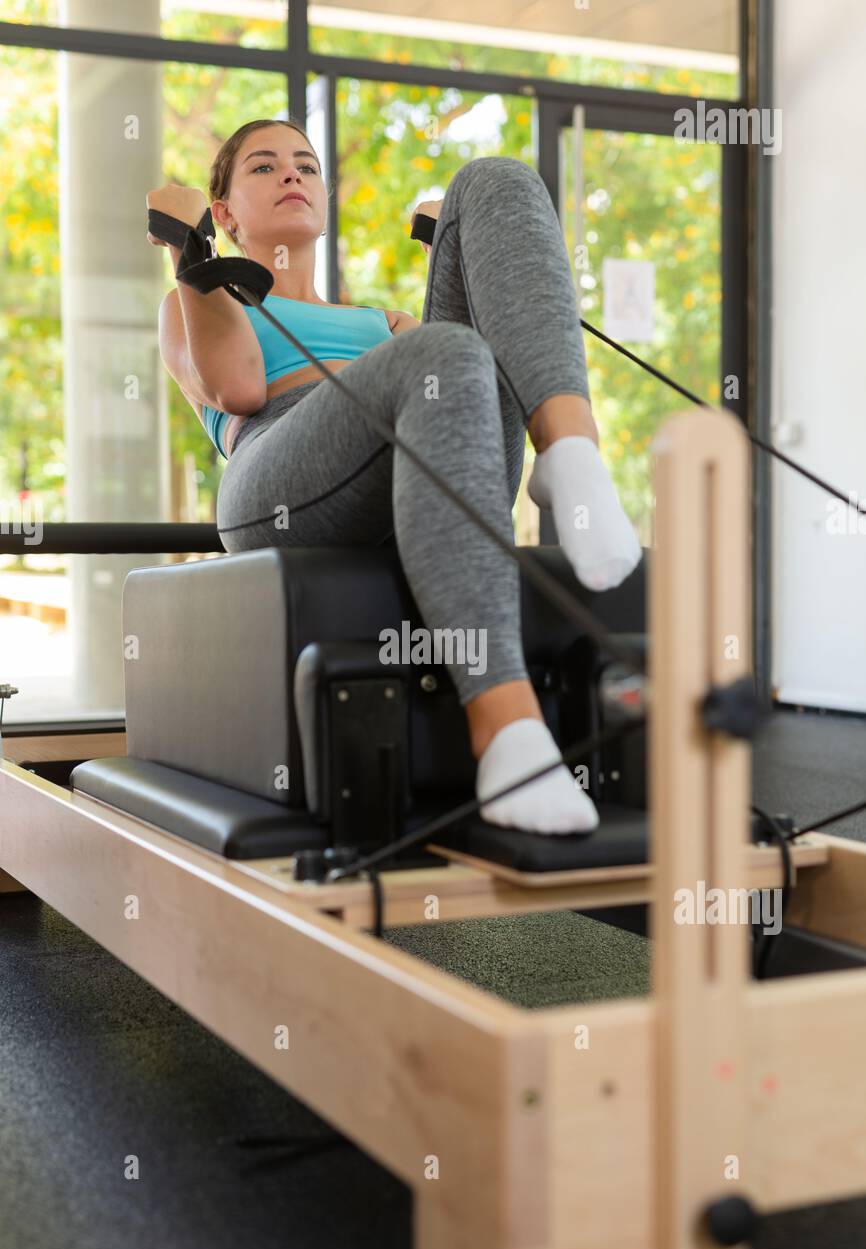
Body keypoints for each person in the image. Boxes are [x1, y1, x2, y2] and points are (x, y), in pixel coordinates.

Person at [147, 117, 641, 836]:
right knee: (441, 356)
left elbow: (464, 379)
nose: (292, 175)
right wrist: (192, 255)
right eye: (263, 168)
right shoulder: (197, 302)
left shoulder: (388, 320)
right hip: (279, 471)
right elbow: (240, 388)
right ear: (222, 212)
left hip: (436, 443)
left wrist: (471, 257)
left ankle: (570, 455)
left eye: (306, 166)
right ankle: (507, 734)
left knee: (495, 181)